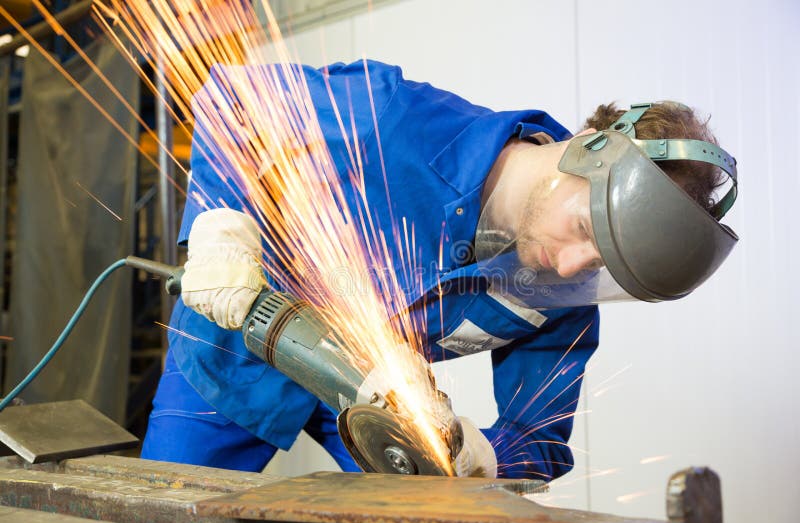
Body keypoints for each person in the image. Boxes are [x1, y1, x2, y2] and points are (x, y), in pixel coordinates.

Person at [140, 60, 738, 480]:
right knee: (167, 507)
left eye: (600, 264)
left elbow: (539, 437)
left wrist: (480, 455)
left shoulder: (564, 290)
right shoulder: (393, 118)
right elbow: (234, 100)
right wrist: (220, 225)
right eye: (584, 229)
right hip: (236, 347)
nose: (571, 265)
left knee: (438, 514)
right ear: (585, 146)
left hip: (369, 396)